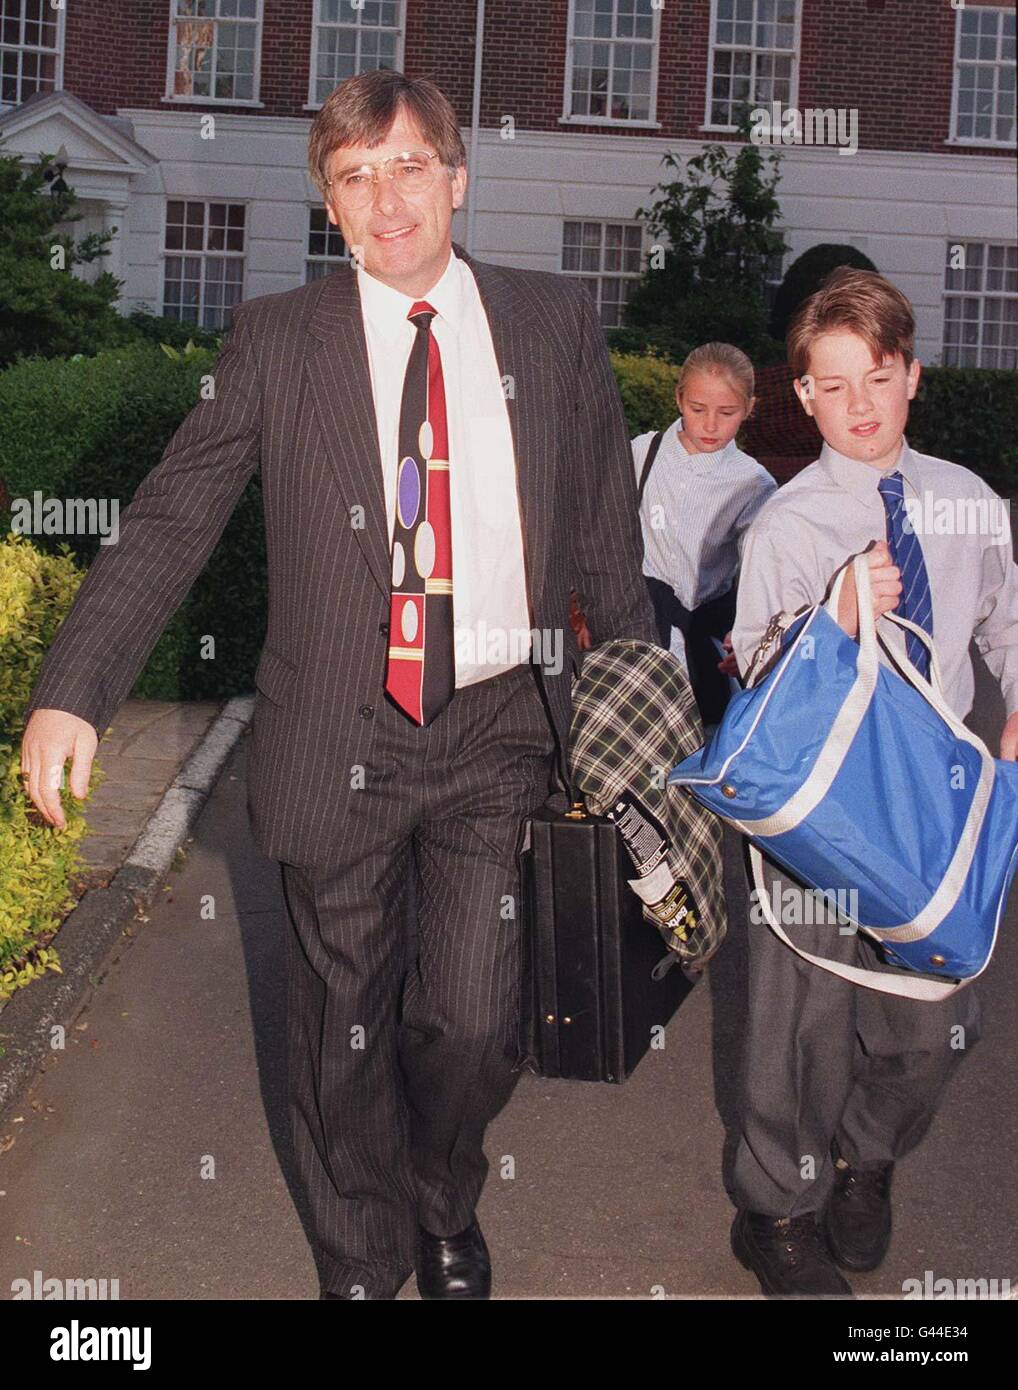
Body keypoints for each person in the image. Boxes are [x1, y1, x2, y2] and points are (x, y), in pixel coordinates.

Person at [18, 69, 656, 1301]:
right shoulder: (276, 341)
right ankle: (361, 1254)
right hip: (336, 732)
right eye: (354, 177)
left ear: (456, 179)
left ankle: (443, 1190)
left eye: (408, 165)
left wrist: (638, 724)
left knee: (473, 1018)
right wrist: (77, 687)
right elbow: (168, 520)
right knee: (338, 1028)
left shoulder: (552, 324)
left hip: (499, 727)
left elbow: (602, 543)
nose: (386, 197)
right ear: (330, 204)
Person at [728, 267, 1018, 1297]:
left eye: (878, 378)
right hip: (816, 811)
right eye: (833, 384)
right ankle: (780, 1211)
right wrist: (835, 621)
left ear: (913, 378)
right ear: (800, 395)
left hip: (926, 809)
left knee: (937, 1023)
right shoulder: (788, 528)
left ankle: (864, 1155)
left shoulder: (967, 502)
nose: (859, 405)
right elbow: (756, 689)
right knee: (794, 1027)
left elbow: (1004, 626)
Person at [631, 343, 775, 725]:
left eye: (726, 413)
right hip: (639, 629)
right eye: (698, 409)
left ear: (748, 408)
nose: (710, 425)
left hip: (708, 642)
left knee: (706, 741)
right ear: (679, 399)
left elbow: (765, 570)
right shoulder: (643, 453)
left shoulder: (753, 482)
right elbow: (599, 534)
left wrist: (749, 634)